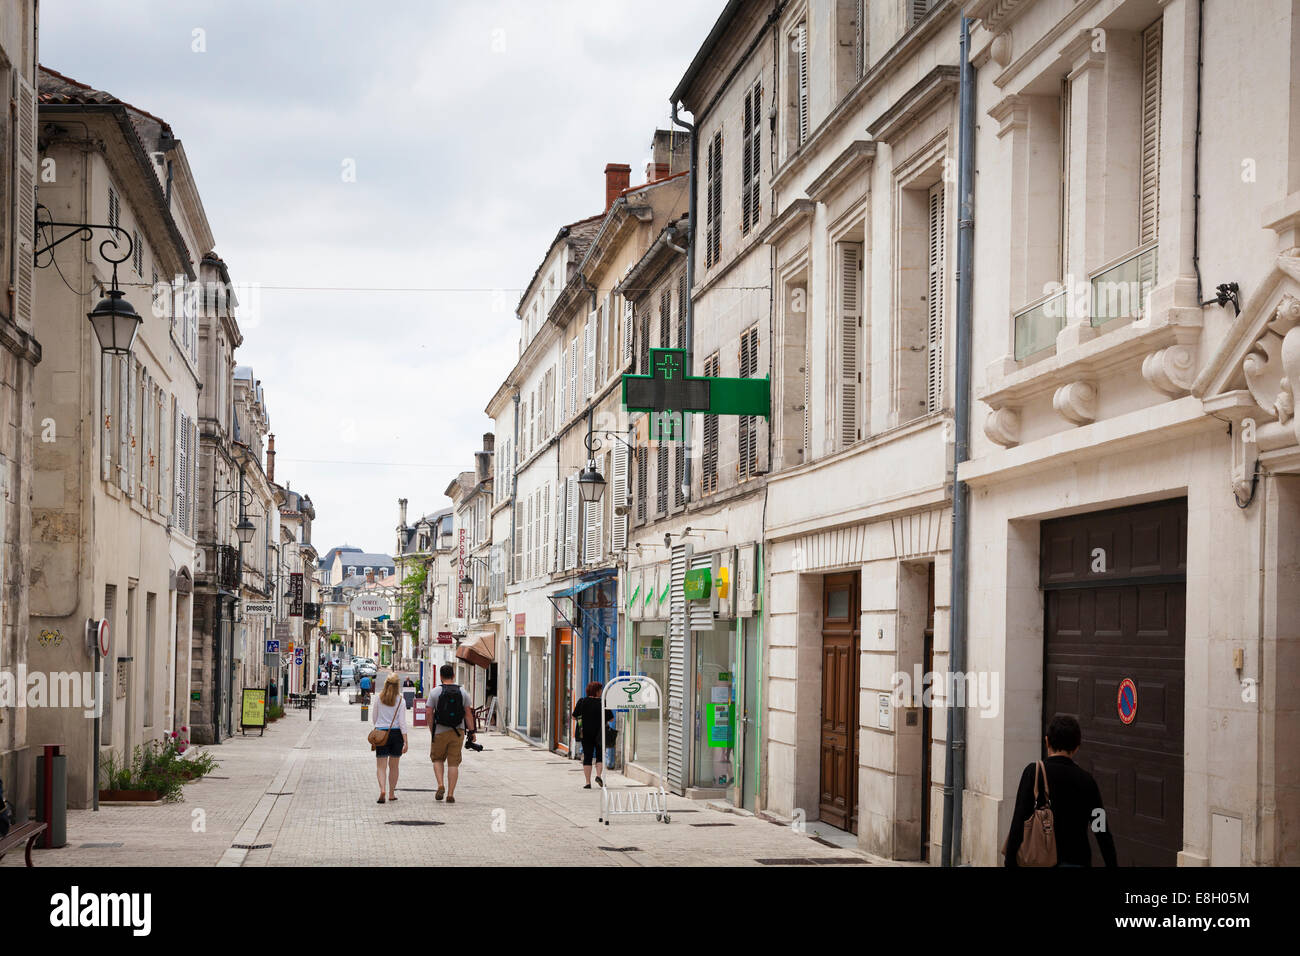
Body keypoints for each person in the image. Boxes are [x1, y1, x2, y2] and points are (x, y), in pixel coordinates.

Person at [1004, 713, 1118, 867]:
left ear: (1047, 741)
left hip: (1039, 860)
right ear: (1077, 747)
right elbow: (1101, 828)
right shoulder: (1087, 780)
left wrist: (1010, 860)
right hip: (1077, 859)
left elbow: (1019, 819)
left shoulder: (1033, 773)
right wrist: (1112, 863)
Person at [428, 663, 476, 804]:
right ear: (453, 675)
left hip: (440, 731)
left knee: (437, 759)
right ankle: (450, 793)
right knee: (453, 763)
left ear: (441, 677)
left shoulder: (435, 692)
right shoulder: (463, 692)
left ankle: (440, 784)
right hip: (458, 731)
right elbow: (468, 713)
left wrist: (432, 730)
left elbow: (429, 713)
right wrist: (472, 731)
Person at [371, 674, 409, 804]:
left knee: (381, 766)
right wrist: (406, 741)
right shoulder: (401, 700)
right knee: (394, 766)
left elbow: (374, 718)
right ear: (398, 685)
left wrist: (379, 727)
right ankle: (391, 793)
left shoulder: (378, 698)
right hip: (396, 734)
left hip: (381, 733)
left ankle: (382, 789)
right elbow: (402, 722)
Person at [572, 682, 613, 789]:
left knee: (587, 756)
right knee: (600, 755)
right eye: (600, 690)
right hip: (600, 733)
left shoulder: (582, 701)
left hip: (585, 733)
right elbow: (611, 718)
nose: (601, 692)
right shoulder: (602, 703)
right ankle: (599, 776)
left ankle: (587, 782)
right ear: (597, 691)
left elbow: (574, 716)